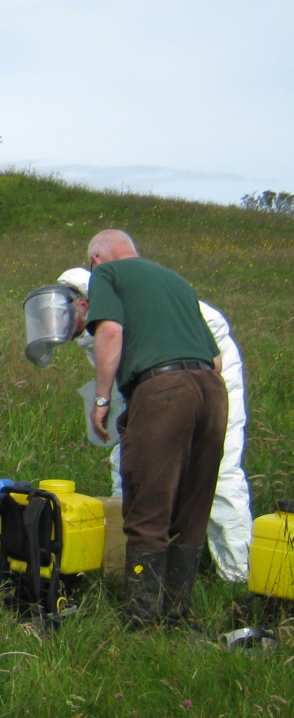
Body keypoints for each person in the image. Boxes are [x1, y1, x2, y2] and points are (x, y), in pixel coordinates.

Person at [58, 265, 252, 583]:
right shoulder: (93, 334)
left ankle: (238, 573)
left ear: (84, 303)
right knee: (131, 466)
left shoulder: (143, 302)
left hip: (208, 374)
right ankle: (130, 566)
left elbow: (213, 334)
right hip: (151, 386)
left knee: (217, 470)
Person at [83, 229, 228, 626]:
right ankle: (176, 612)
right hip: (212, 390)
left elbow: (110, 330)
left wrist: (101, 399)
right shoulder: (175, 280)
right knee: (193, 502)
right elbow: (215, 359)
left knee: (149, 501)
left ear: (96, 258)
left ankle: (142, 617)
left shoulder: (108, 275)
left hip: (164, 391)